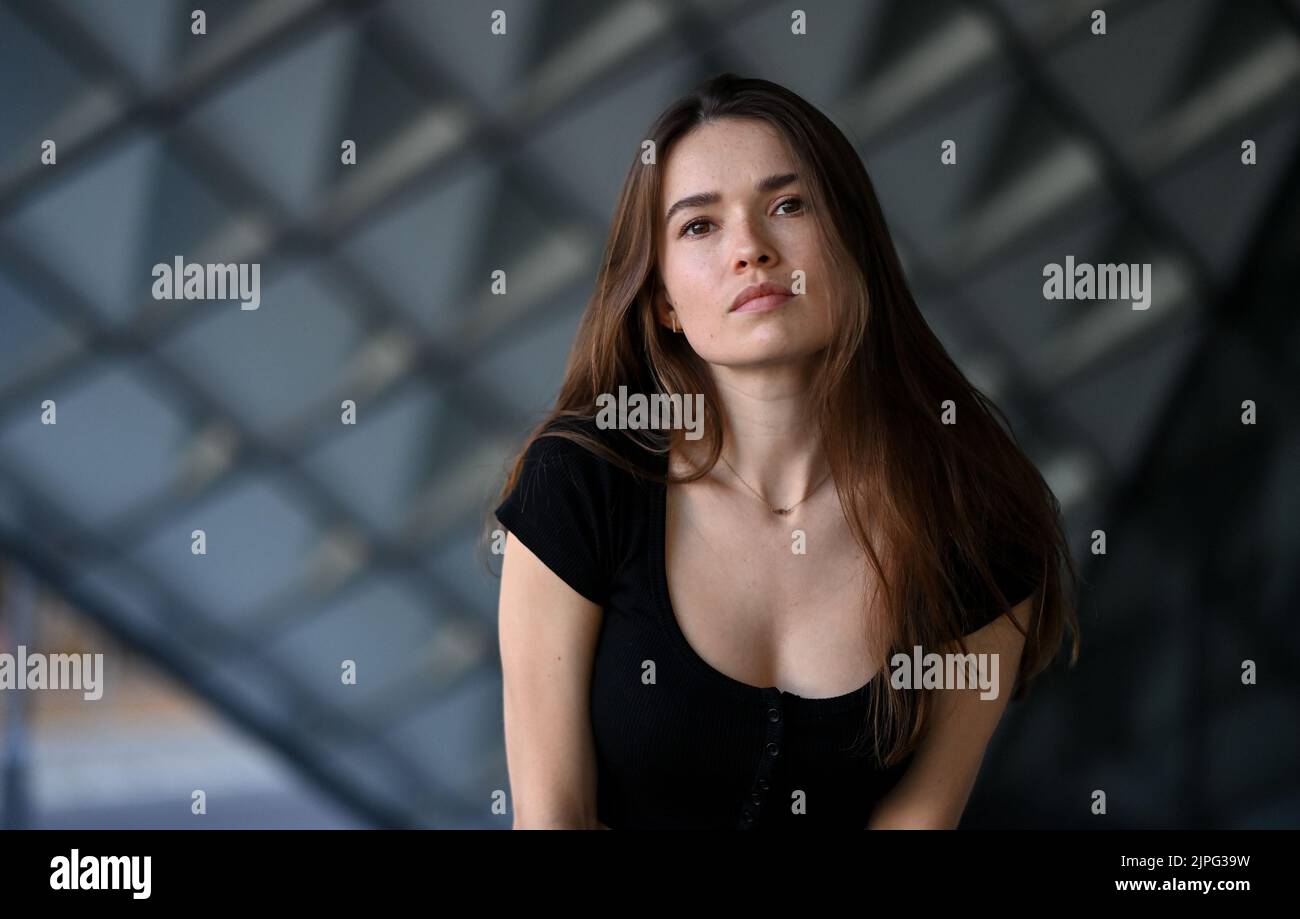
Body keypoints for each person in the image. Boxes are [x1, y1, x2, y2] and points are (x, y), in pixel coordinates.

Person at [491, 72, 1080, 829]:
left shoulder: (978, 517)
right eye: (699, 226)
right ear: (664, 301)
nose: (751, 250)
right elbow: (553, 818)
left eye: (788, 205)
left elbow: (917, 821)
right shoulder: (580, 483)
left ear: (852, 243)